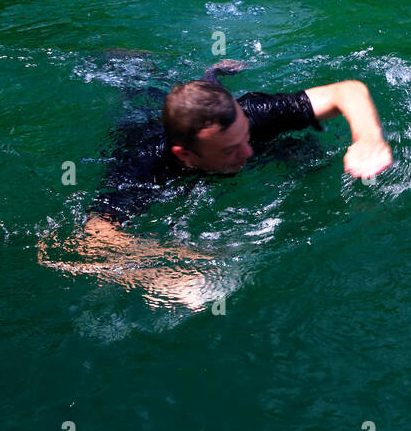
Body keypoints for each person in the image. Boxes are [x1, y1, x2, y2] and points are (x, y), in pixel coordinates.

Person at [39, 63, 392, 306]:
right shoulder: (145, 168)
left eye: (245, 137)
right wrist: (166, 273)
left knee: (299, 152)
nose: (248, 151)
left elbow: (347, 90)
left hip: (208, 117)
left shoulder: (252, 114)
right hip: (140, 115)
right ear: (187, 157)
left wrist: (367, 137)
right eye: (230, 150)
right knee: (138, 89)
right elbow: (90, 238)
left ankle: (213, 74)